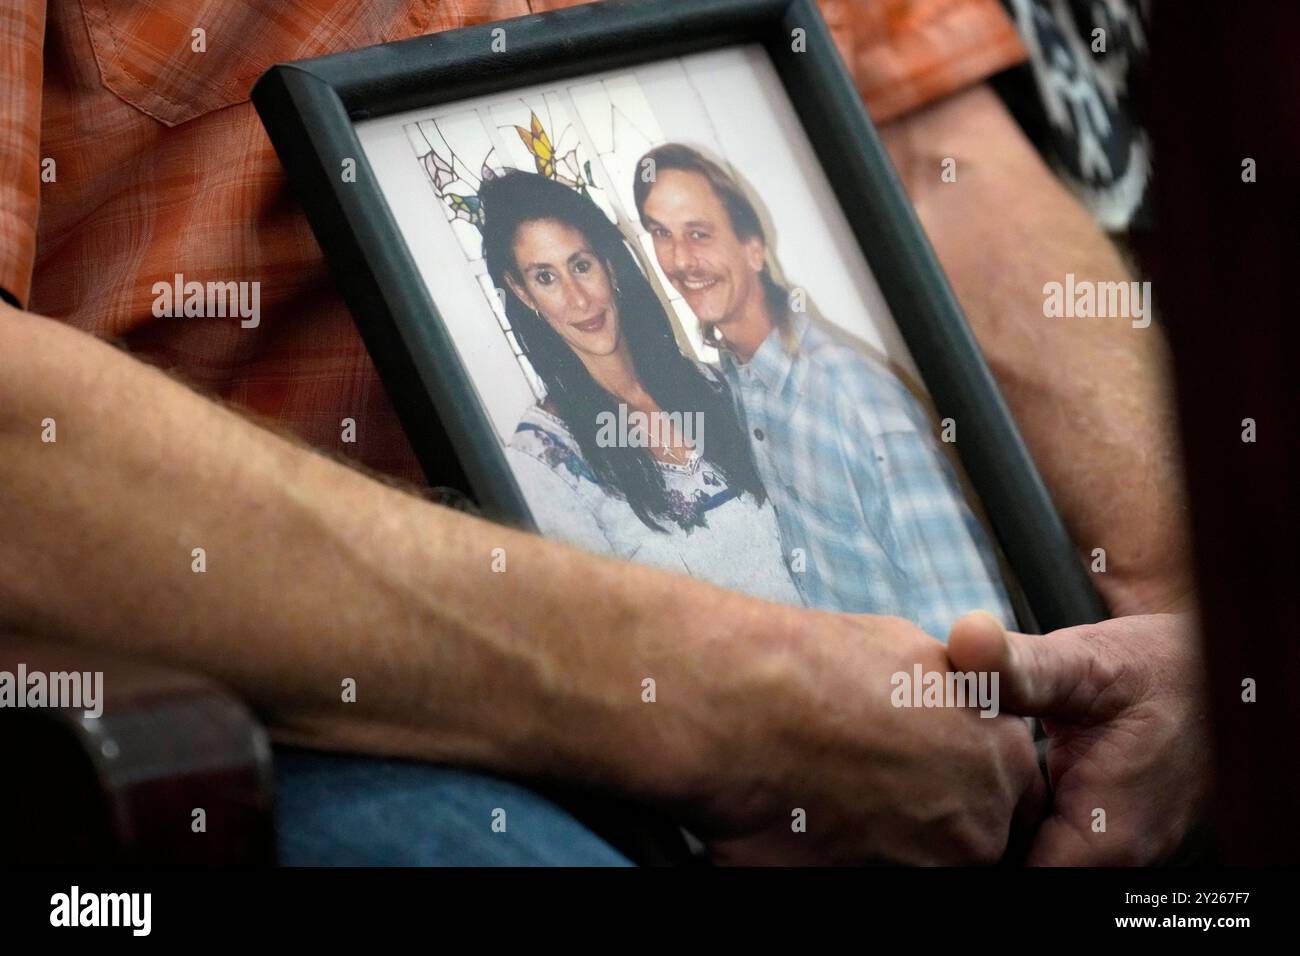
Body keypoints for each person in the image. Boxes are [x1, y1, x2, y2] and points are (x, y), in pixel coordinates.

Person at [0, 0, 1201, 865]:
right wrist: (730, 701)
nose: (580, 292)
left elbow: (941, 157)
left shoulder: (771, 390)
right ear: (514, 303)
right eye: (542, 279)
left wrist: (1183, 625)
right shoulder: (562, 441)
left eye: (593, 260)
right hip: (282, 694)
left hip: (889, 672)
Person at [635, 144, 1015, 640]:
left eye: (699, 233)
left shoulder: (855, 396)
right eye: (660, 233)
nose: (680, 259)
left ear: (754, 247)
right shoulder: (732, 383)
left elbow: (974, 621)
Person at [478, 171, 800, 605]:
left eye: (581, 265)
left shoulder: (712, 386)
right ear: (522, 292)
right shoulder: (542, 465)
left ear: (608, 266)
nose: (579, 299)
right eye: (545, 278)